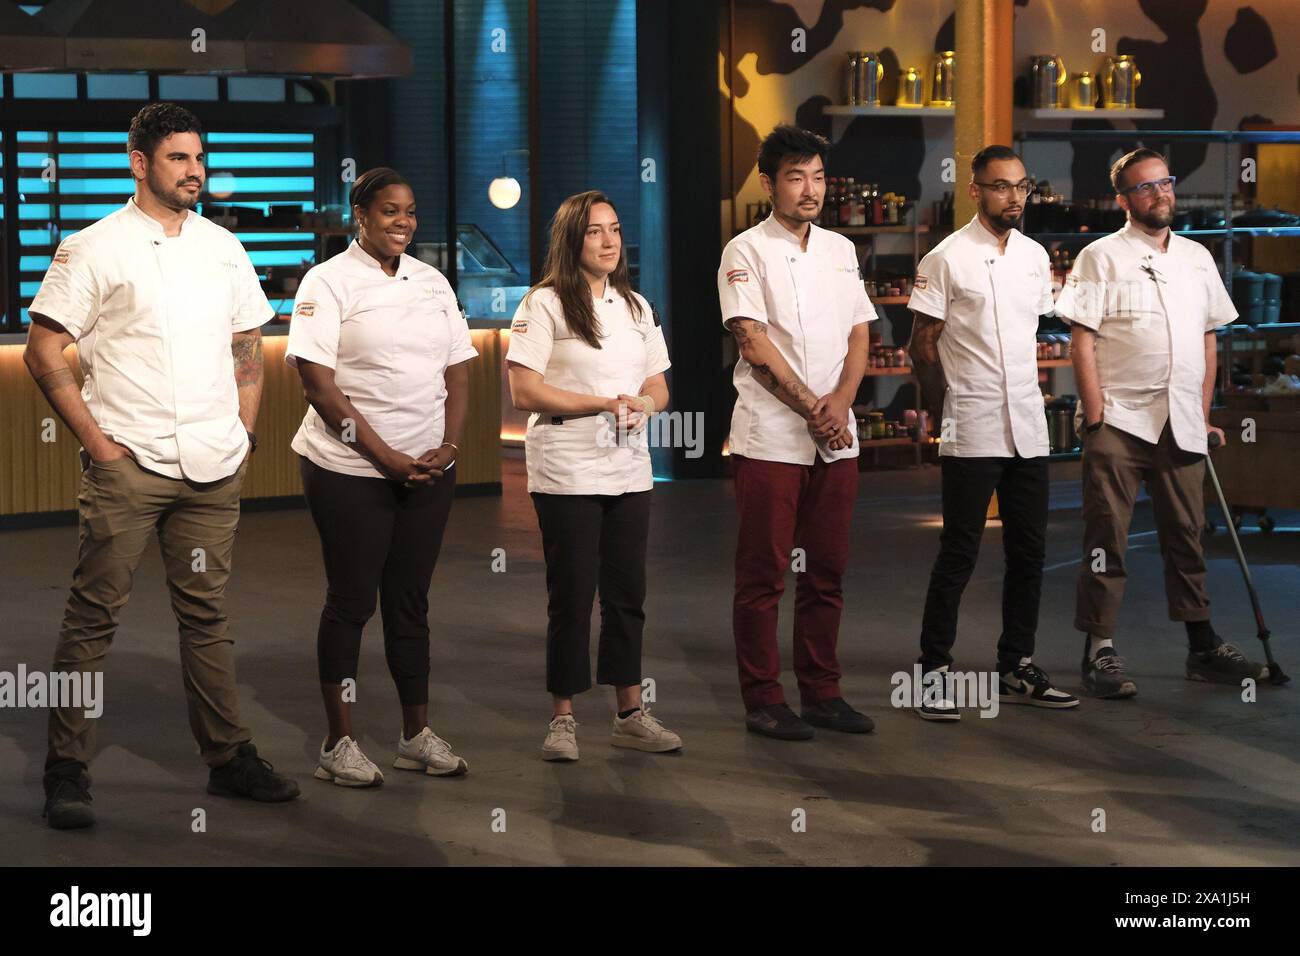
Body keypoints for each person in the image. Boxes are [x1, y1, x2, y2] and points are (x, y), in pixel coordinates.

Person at [23, 103, 299, 829]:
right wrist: (98, 443)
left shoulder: (223, 249)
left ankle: (228, 757)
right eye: (178, 158)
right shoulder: (92, 248)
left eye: (199, 158)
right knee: (91, 619)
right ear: (139, 162)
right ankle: (67, 770)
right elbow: (43, 351)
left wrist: (244, 430)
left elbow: (248, 345)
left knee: (207, 616)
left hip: (213, 465)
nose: (195, 171)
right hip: (130, 462)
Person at [287, 167, 476, 786]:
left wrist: (448, 445)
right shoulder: (328, 281)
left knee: (410, 601)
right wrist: (384, 456)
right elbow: (318, 383)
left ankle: (414, 735)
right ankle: (337, 742)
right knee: (350, 603)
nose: (403, 222)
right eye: (390, 211)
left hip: (426, 468)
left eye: (411, 211)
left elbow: (458, 370)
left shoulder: (432, 282)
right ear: (359, 215)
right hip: (348, 469)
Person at [1055, 147, 1266, 698]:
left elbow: (1207, 338)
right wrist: (1096, 414)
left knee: (1187, 536)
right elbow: (1082, 338)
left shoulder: (1197, 257)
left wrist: (1202, 413)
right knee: (1108, 538)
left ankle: (1202, 645)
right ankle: (1098, 649)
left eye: (1165, 183)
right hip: (1121, 420)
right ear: (1125, 199)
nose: (1160, 194)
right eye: (1145, 187)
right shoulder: (1100, 256)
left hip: (1182, 423)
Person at [505, 190, 681, 762]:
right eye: (595, 232)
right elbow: (524, 390)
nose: (609, 242)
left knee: (628, 595)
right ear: (571, 239)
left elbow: (659, 384)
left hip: (628, 469)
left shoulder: (636, 307)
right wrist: (602, 402)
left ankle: (630, 712)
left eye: (614, 229)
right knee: (572, 596)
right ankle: (563, 719)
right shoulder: (544, 304)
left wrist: (644, 405)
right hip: (566, 467)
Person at [906, 145, 1078, 720]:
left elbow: (1040, 324)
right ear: (975, 190)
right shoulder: (946, 258)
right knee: (959, 550)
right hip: (972, 421)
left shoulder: (1033, 256)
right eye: (1001, 186)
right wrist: (942, 409)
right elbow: (922, 344)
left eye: (1021, 187)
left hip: (1028, 423)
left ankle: (1016, 665)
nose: (1014, 197)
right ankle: (932, 673)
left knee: (1030, 550)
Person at [718, 124, 875, 741]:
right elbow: (751, 339)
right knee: (764, 574)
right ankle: (762, 697)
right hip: (771, 436)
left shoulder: (840, 249)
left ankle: (823, 692)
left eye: (817, 176)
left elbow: (861, 331)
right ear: (768, 183)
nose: (810, 189)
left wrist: (840, 403)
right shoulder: (745, 250)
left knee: (828, 569)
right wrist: (814, 406)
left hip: (837, 434)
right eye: (795, 177)